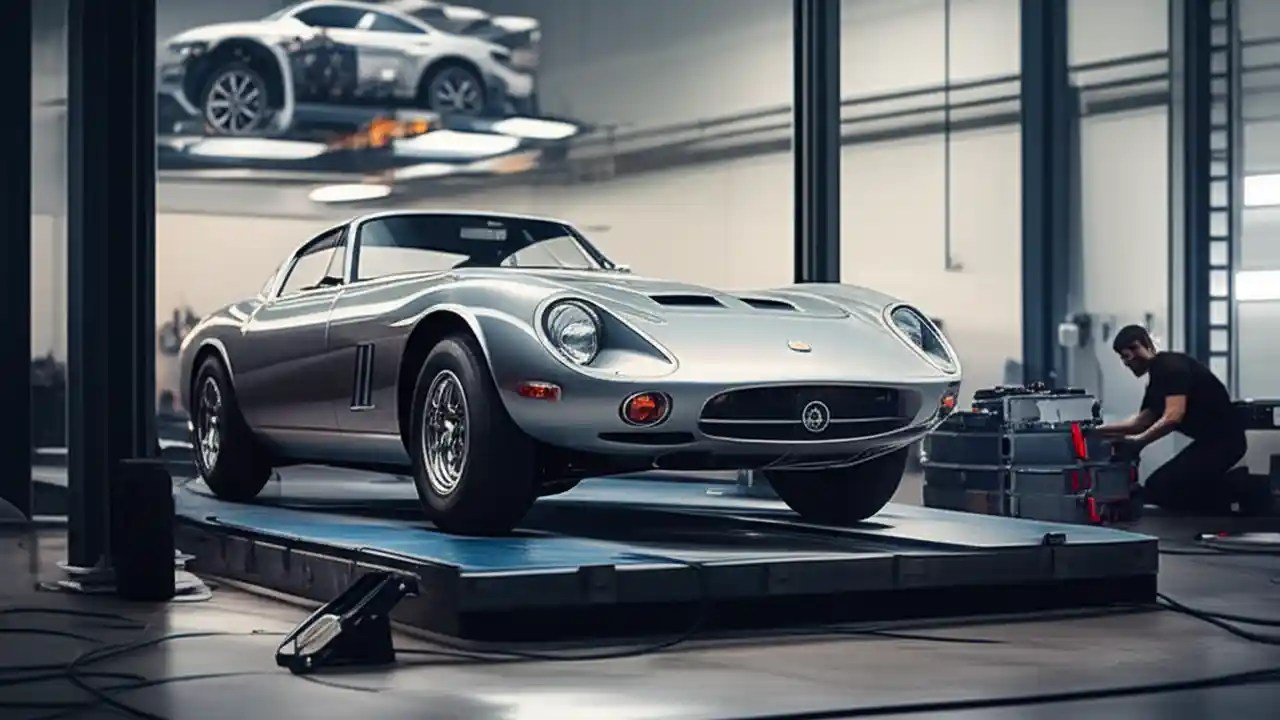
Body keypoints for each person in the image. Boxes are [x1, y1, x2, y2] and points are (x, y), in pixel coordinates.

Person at [1097, 324, 1269, 515]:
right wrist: (1095, 431)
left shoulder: (1170, 367)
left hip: (1226, 443)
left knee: (1161, 488)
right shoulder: (1157, 376)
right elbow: (1140, 423)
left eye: (1126, 356)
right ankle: (1233, 494)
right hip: (1212, 442)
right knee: (1160, 487)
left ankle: (1247, 487)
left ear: (1139, 347)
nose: (1125, 363)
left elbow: (1173, 416)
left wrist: (1139, 442)